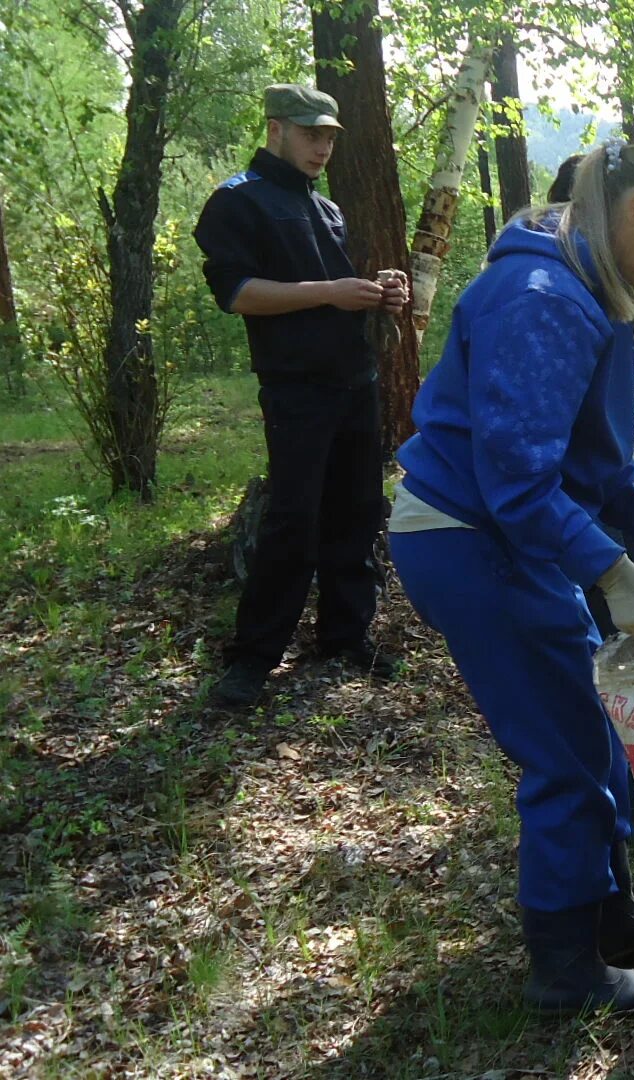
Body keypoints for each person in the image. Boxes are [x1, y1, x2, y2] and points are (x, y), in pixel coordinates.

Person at [386, 139, 634, 1013]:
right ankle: (562, 966)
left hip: (510, 535)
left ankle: (606, 914)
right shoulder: (541, 297)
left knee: (595, 728)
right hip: (470, 539)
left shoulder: (593, 286)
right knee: (567, 753)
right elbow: (517, 483)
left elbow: (598, 470)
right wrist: (618, 576)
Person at [193, 84, 411, 707]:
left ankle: (346, 636)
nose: (322, 147)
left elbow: (339, 293)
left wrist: (378, 292)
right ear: (276, 129)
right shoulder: (237, 202)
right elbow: (238, 293)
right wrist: (330, 291)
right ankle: (253, 659)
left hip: (355, 381)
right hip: (296, 389)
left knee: (357, 510)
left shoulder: (327, 209)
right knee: (292, 520)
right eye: (311, 134)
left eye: (329, 138)